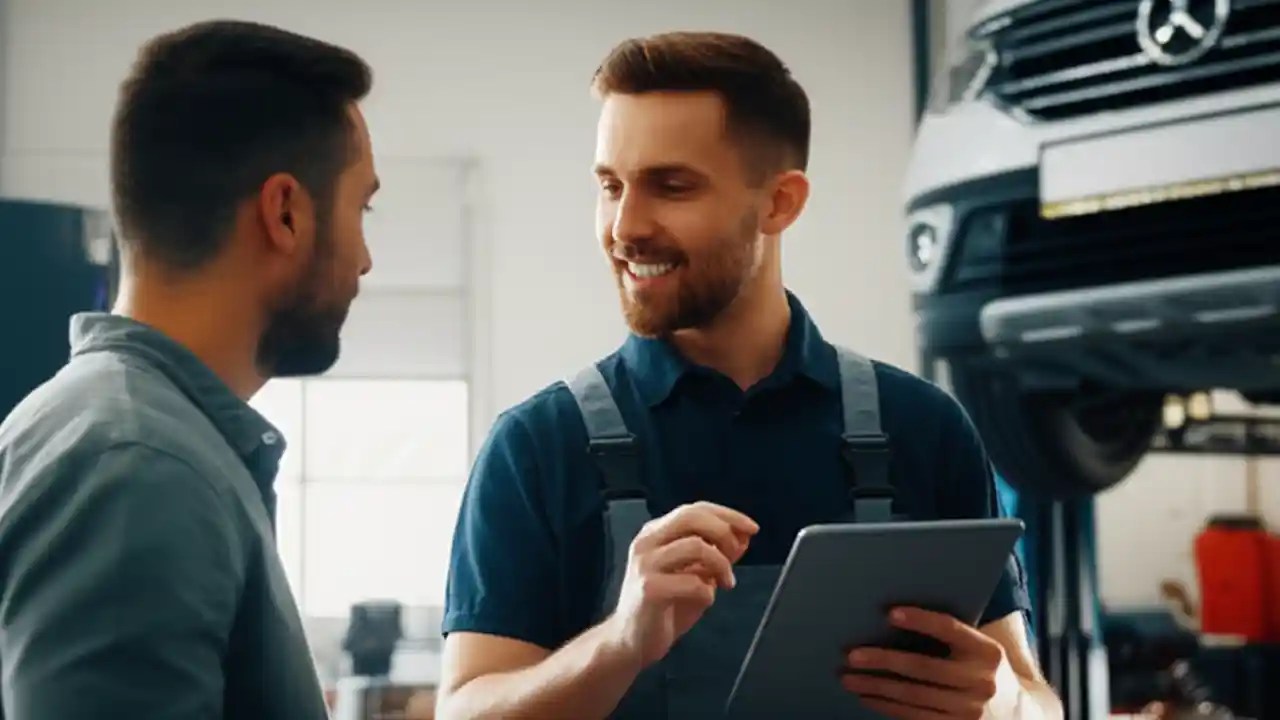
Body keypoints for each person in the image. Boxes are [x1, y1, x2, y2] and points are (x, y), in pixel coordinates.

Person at [436, 31, 1063, 720]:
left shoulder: (923, 428)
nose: (624, 226)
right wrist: (620, 643)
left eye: (670, 187)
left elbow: (1036, 700)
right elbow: (466, 710)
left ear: (780, 203)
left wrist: (1001, 702)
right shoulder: (536, 447)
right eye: (610, 185)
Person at [0, 20, 378, 719]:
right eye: (363, 208)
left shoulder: (137, 438)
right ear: (286, 213)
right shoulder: (137, 467)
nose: (365, 260)